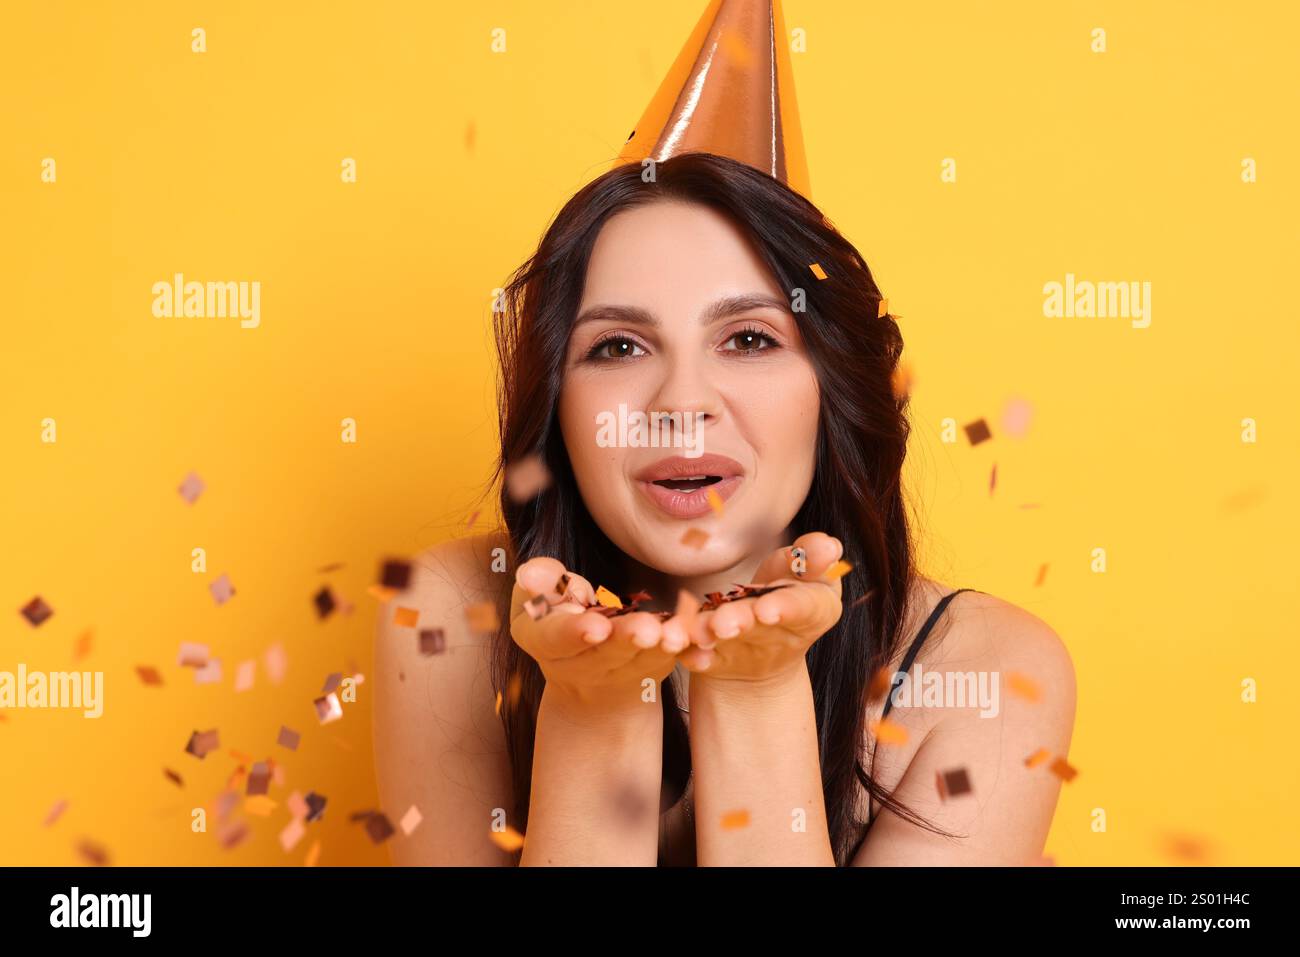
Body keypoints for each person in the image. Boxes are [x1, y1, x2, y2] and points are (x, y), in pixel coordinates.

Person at [373, 151, 1076, 866]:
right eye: (618, 346)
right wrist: (595, 706)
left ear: (832, 389)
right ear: (555, 403)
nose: (682, 404)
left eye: (748, 339)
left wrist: (755, 689)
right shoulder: (451, 615)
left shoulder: (986, 673)